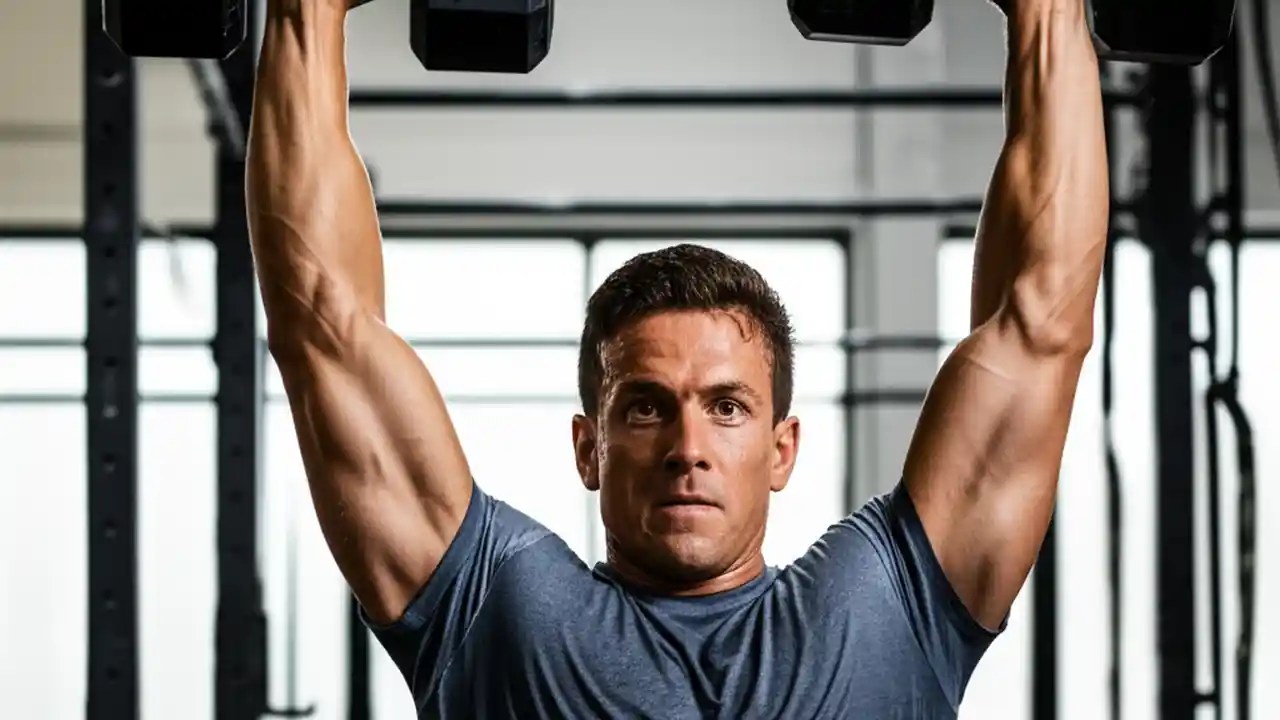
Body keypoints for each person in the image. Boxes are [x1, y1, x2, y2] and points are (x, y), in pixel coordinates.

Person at [246, 0, 1107, 717]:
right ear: (590, 447)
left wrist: (1048, 15)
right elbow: (325, 326)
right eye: (648, 406)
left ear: (782, 448)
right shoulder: (501, 609)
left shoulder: (884, 606)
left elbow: (1037, 325)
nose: (687, 446)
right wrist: (305, 16)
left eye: (728, 406)